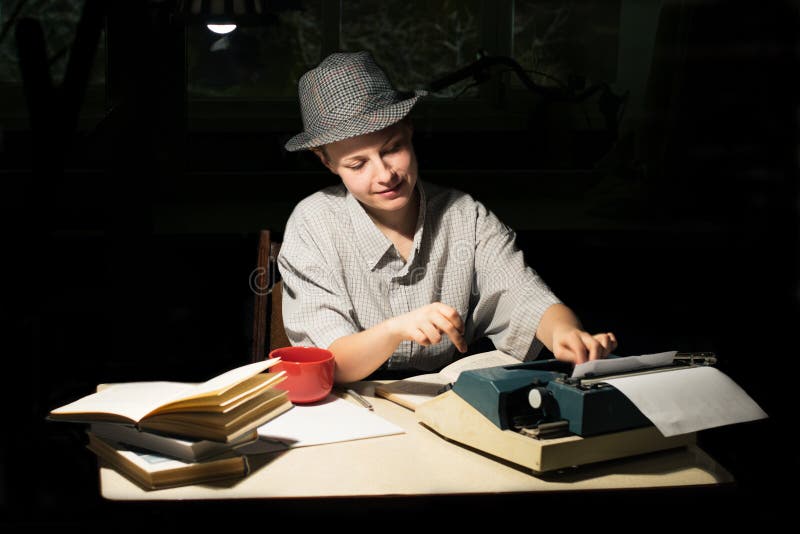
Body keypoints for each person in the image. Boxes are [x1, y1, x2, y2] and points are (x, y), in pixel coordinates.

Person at [279, 50, 617, 383]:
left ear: (409, 130)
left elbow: (524, 293)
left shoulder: (464, 215)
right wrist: (395, 330)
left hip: (446, 395)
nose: (384, 174)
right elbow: (329, 362)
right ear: (326, 161)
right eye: (358, 164)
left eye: (392, 148)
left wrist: (566, 333)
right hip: (353, 407)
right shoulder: (313, 225)